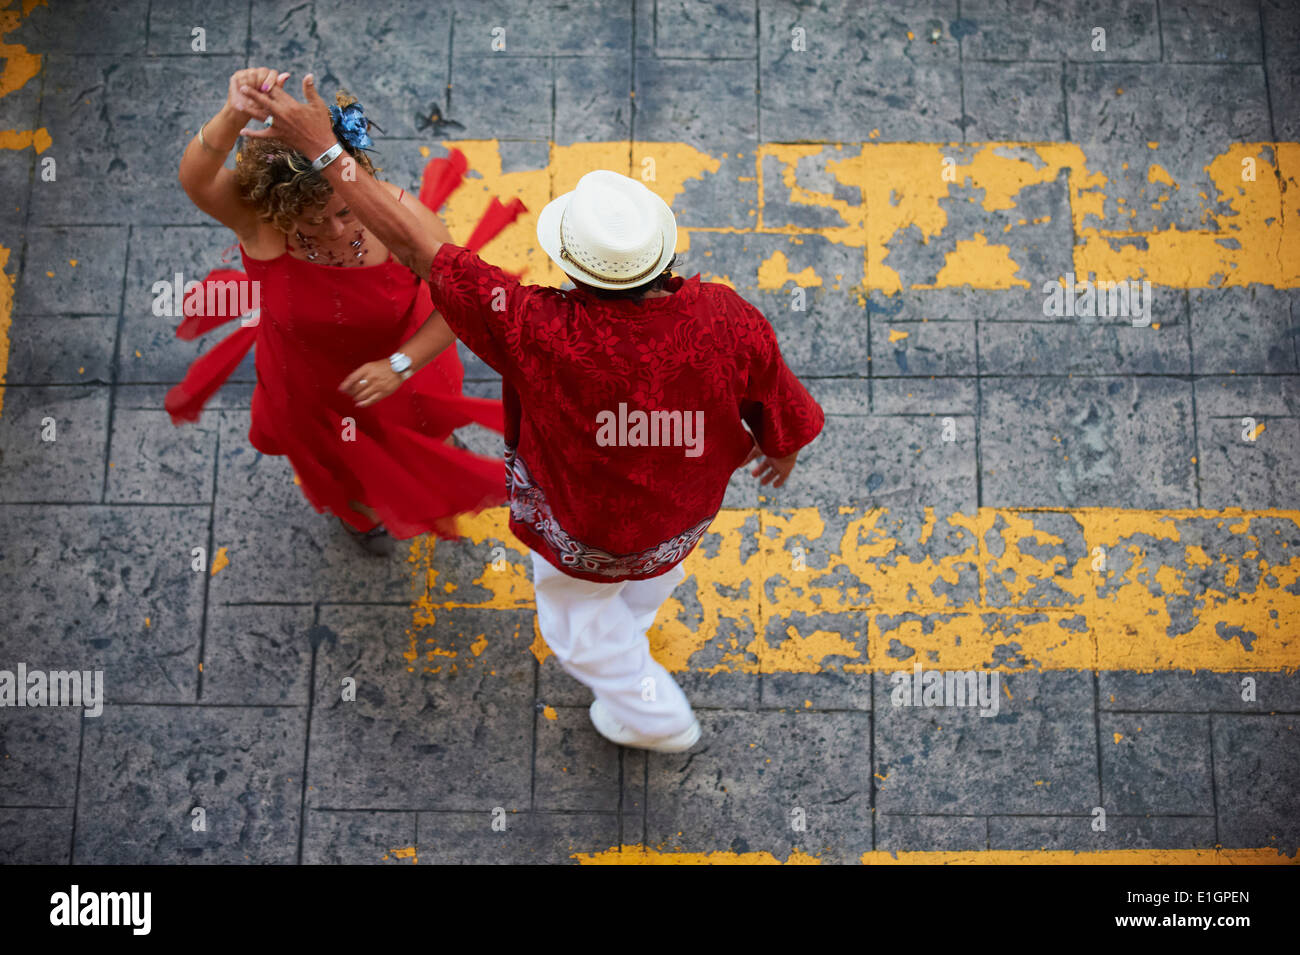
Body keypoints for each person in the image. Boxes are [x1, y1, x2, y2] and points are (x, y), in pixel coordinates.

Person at [240, 75, 826, 752]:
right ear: (663, 253)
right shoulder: (727, 316)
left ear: (574, 268)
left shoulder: (535, 327)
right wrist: (779, 448)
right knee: (649, 584)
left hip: (589, 531)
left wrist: (323, 149)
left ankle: (655, 713)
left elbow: (420, 250)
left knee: (577, 628)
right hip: (681, 516)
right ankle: (632, 631)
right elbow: (778, 399)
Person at [174, 67, 509, 555]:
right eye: (311, 222)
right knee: (342, 463)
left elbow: (458, 306)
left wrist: (400, 365)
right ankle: (362, 512)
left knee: (421, 438)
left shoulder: (403, 217)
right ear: (274, 211)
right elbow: (196, 177)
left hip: (407, 373)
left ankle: (418, 461)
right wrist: (234, 112)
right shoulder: (257, 223)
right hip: (310, 388)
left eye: (346, 210)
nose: (333, 229)